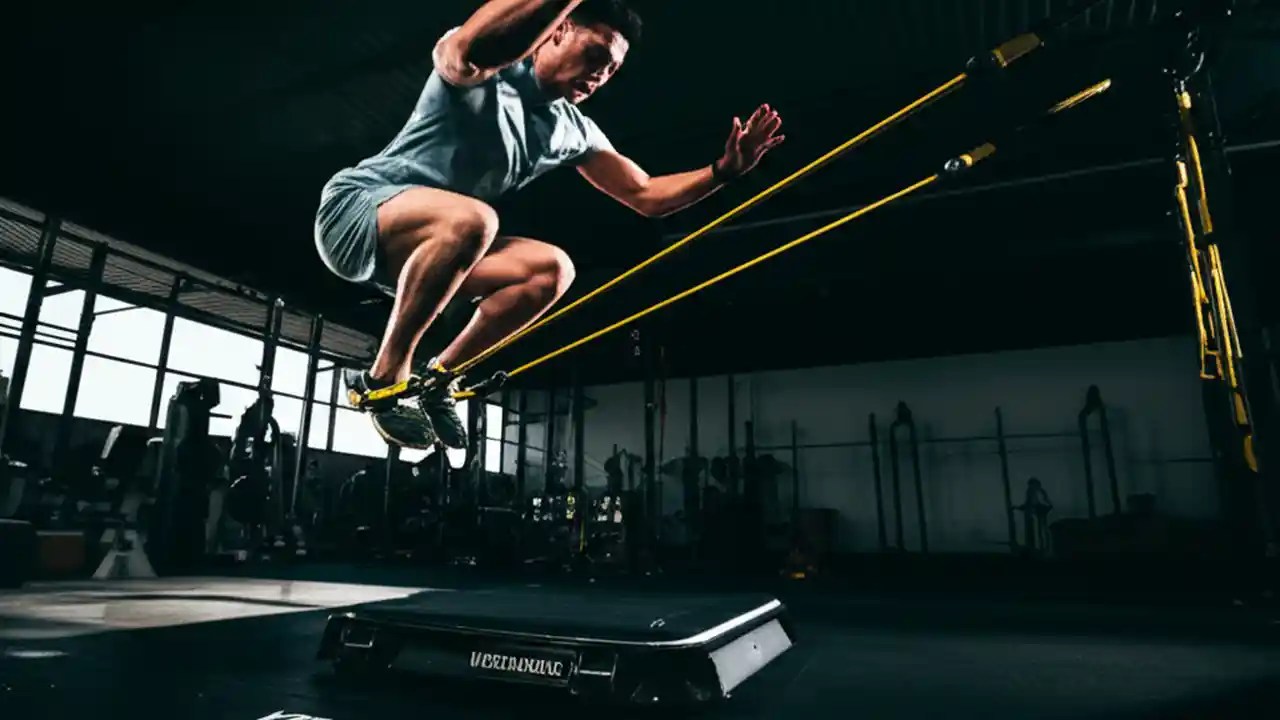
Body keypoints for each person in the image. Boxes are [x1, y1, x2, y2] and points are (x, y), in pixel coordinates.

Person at [315, 0, 785, 450]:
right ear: (557, 30)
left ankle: (440, 378)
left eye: (612, 69)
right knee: (476, 220)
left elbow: (645, 196)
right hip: (357, 215)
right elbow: (466, 52)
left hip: (422, 254)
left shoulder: (573, 129)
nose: (601, 74)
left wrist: (721, 173)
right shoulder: (487, 71)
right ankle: (383, 380)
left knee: (552, 270)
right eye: (595, 55)